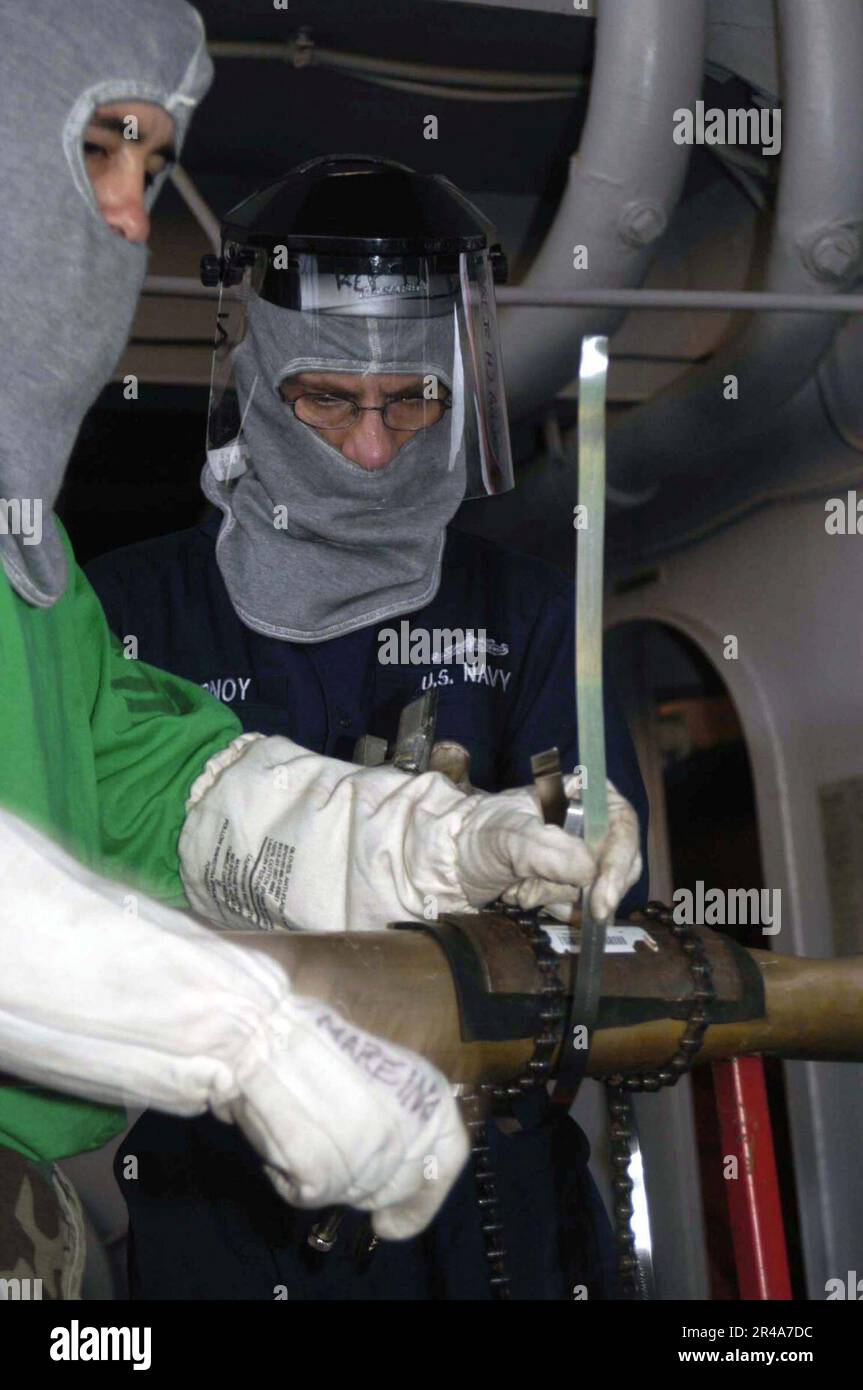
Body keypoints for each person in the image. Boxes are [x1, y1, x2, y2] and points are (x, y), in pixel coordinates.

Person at [0, 4, 641, 1300]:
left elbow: (172, 794)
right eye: (103, 149)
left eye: (151, 161)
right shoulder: (133, 589)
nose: (130, 216)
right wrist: (240, 1036)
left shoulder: (37, 570)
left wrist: (437, 841)